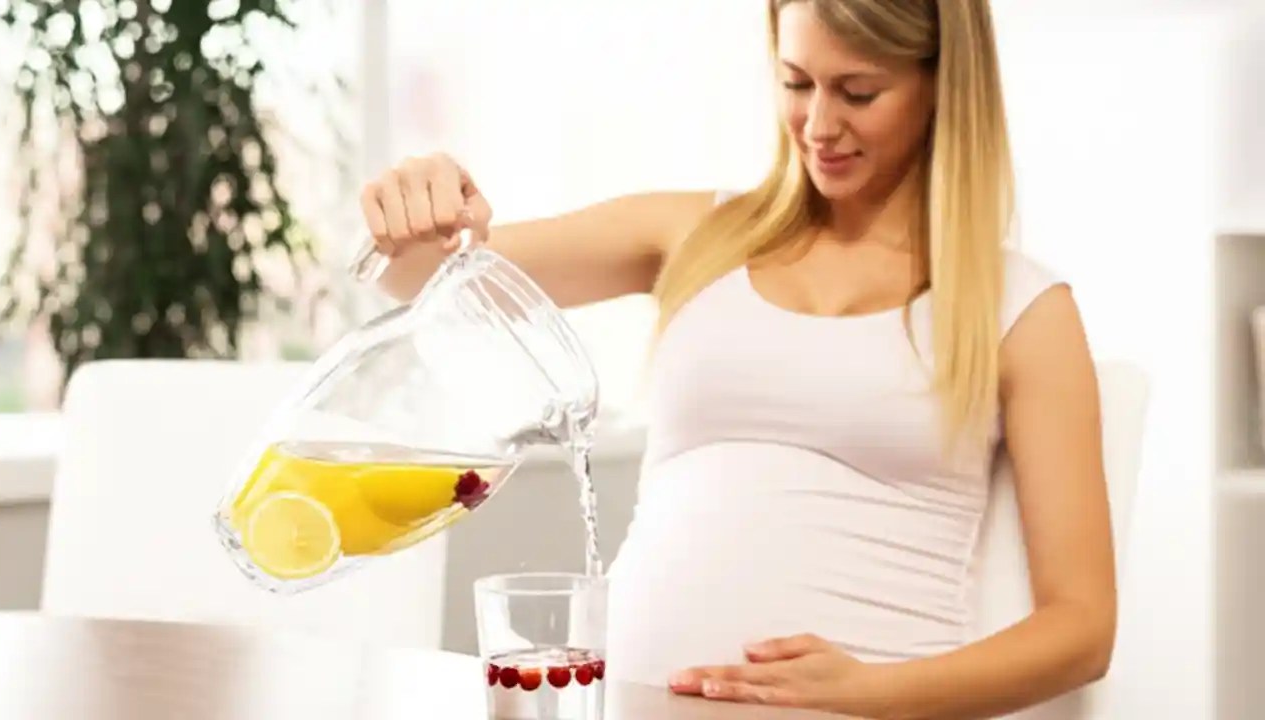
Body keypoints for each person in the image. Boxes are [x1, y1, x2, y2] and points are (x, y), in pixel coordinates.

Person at [359, 0, 1116, 716]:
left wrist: (870, 693)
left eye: (858, 92)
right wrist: (421, 212)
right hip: (623, 702)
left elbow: (1082, 630)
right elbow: (424, 278)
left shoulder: (1022, 308)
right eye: (796, 82)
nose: (819, 124)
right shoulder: (696, 233)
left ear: (942, 85)